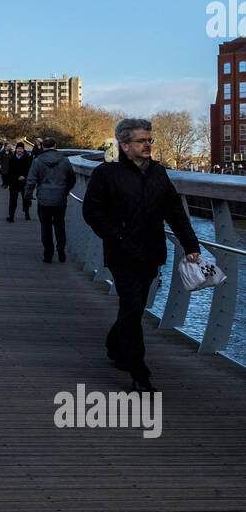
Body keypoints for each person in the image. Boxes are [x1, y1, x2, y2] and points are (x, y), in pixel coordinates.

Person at [82, 117, 201, 394]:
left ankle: (115, 344)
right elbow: (92, 211)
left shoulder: (158, 173)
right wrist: (117, 236)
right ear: (124, 145)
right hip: (122, 253)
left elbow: (174, 211)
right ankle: (139, 373)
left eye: (149, 140)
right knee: (133, 307)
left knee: (133, 308)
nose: (148, 144)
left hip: (152, 252)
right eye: (141, 141)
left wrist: (191, 245)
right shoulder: (106, 174)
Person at [25, 138, 76, 263]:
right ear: (55, 145)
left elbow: (31, 180)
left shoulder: (37, 161)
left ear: (42, 147)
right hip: (60, 198)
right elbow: (72, 179)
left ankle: (48, 253)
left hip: (44, 198)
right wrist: (65, 190)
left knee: (45, 226)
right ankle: (61, 249)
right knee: (59, 224)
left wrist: (28, 195)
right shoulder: (64, 161)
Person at [6, 141, 33, 220]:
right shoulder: (12, 158)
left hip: (24, 182)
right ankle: (11, 216)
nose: (19, 150)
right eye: (18, 148)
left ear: (23, 149)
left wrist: (24, 176)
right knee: (12, 200)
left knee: (26, 199)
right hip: (14, 182)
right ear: (16, 149)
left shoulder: (28, 158)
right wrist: (12, 180)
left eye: (21, 148)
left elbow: (30, 170)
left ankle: (27, 213)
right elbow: (9, 171)